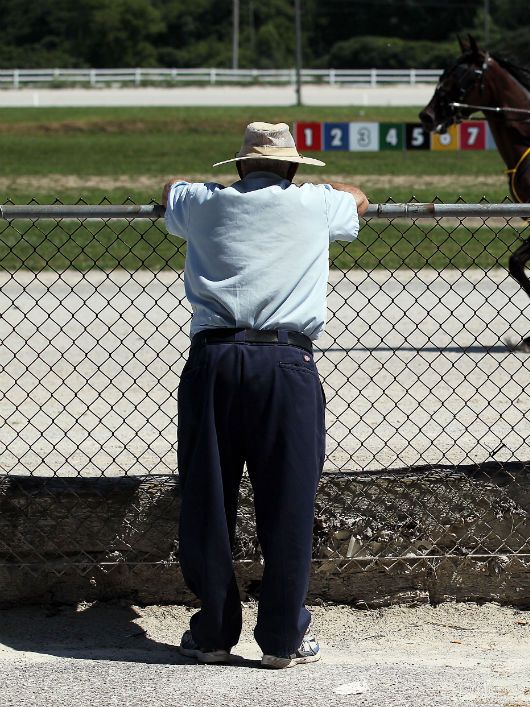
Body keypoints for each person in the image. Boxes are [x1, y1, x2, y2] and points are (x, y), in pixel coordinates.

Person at [162, 122, 369, 669]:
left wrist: (189, 188)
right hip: (286, 359)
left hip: (215, 357)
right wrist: (329, 192)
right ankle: (282, 637)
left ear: (237, 169)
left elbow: (168, 191)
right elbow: (359, 201)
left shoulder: (204, 203)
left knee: (208, 495)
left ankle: (213, 631)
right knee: (289, 500)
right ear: (294, 169)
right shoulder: (316, 204)